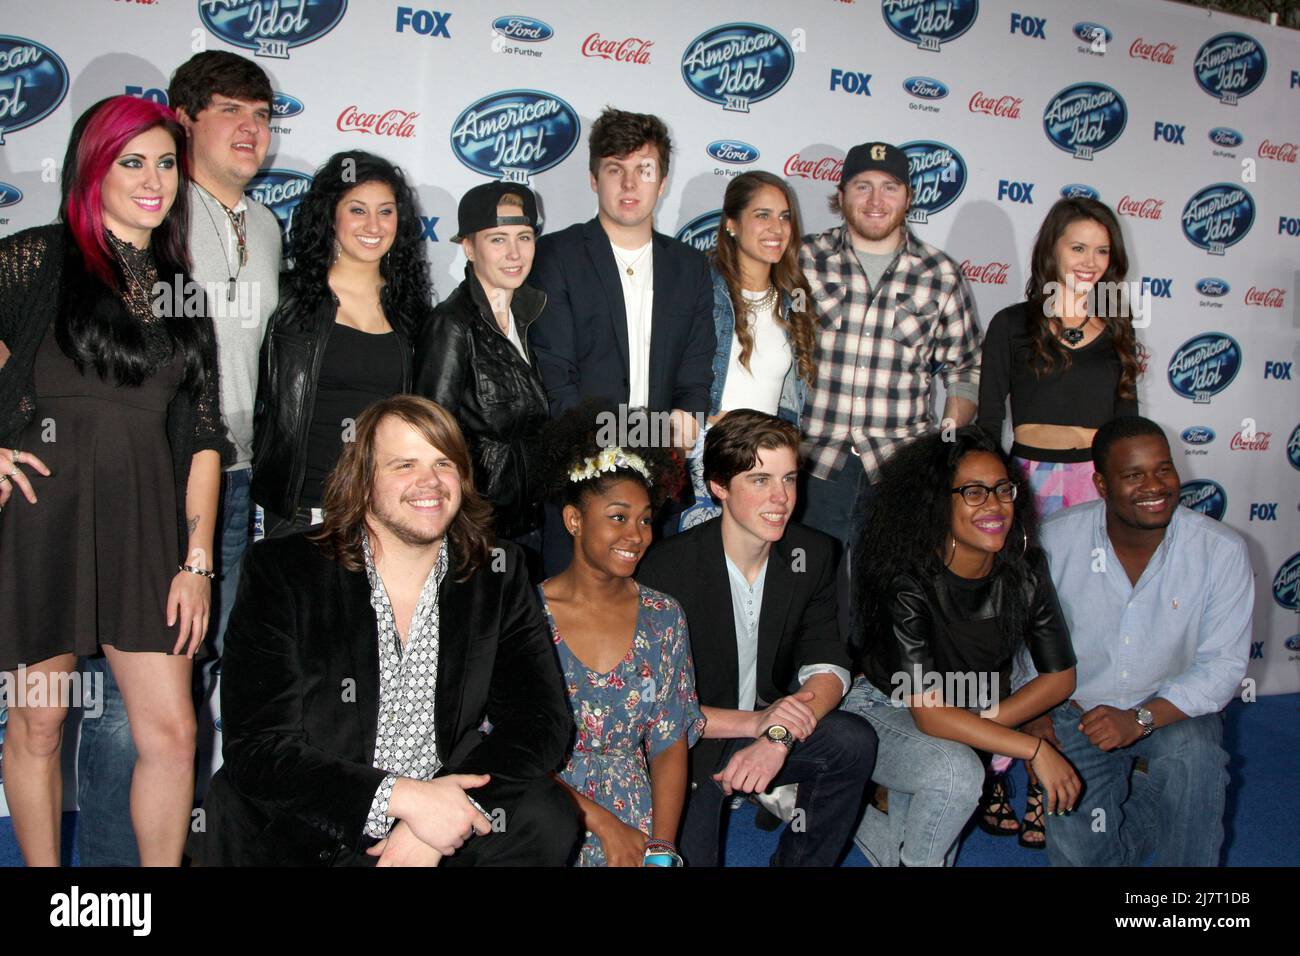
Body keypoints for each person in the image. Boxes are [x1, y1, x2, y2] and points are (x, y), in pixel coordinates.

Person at [191, 396, 578, 866]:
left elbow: (539, 722)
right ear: (363, 479)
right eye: (404, 465)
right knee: (237, 800)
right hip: (310, 824)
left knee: (546, 814)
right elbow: (258, 747)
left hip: (437, 818)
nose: (429, 482)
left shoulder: (496, 572)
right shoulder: (284, 571)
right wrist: (403, 799)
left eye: (443, 463)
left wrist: (444, 816)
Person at [0, 96, 221, 867]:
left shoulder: (181, 290)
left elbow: (201, 438)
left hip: (145, 527)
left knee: (172, 733)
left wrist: (197, 564)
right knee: (38, 725)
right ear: (92, 167)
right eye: (133, 161)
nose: (154, 180)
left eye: (166, 163)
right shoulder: (34, 258)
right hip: (42, 518)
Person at [76, 50, 282, 866]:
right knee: (136, 704)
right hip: (151, 479)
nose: (250, 129)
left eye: (262, 114)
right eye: (230, 110)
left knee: (197, 683)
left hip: (234, 483)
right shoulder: (153, 210)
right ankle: (104, 880)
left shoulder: (265, 224)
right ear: (184, 118)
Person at [638, 410, 876, 866]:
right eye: (760, 480)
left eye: (789, 479)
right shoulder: (666, 569)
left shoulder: (812, 553)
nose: (781, 498)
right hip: (691, 741)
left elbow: (829, 664)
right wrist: (754, 725)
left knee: (852, 741)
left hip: (771, 722)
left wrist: (777, 736)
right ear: (719, 487)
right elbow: (656, 707)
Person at [976, 196, 1141, 847]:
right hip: (1028, 487)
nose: (1091, 263)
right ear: (1051, 251)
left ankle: (1057, 774)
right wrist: (978, 500)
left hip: (1096, 498)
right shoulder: (1012, 324)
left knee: (1073, 637)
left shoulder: (1119, 331)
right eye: (1079, 248)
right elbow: (989, 423)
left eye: (1102, 251)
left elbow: (1126, 434)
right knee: (1012, 629)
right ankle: (997, 768)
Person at [839, 426, 1079, 866]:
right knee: (959, 773)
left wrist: (990, 721)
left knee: (926, 820)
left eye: (1002, 489)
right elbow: (930, 715)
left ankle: (835, 804)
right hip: (884, 710)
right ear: (938, 503)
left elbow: (1060, 676)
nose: (994, 505)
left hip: (967, 712)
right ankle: (833, 787)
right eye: (973, 492)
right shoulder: (908, 580)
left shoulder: (1027, 570)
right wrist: (1029, 747)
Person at [1032, 417, 1252, 867]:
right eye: (1133, 475)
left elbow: (1223, 668)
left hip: (1172, 711)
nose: (1154, 486)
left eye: (1163, 470)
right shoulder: (1055, 541)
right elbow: (1025, 640)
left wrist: (1141, 719)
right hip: (1077, 711)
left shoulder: (1220, 550)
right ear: (1101, 483)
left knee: (1197, 762)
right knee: (1084, 858)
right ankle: (1151, 803)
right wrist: (1032, 719)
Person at [535, 403, 703, 866]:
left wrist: (662, 847)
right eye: (617, 517)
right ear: (573, 521)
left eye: (646, 519)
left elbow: (669, 743)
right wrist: (603, 825)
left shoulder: (663, 616)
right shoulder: (526, 615)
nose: (637, 535)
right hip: (546, 809)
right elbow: (506, 750)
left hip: (637, 809)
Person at [798, 141, 981, 553]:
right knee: (808, 591)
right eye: (863, 186)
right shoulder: (804, 259)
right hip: (811, 464)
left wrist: (943, 452)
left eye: (890, 187)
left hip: (900, 469)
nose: (876, 200)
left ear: (909, 197)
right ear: (841, 195)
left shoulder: (940, 273)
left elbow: (965, 369)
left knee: (883, 596)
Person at [252, 150, 433, 537]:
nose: (373, 224)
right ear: (330, 215)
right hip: (300, 511)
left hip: (381, 511)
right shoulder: (286, 298)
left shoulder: (410, 307)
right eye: (357, 210)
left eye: (386, 211)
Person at [413, 182, 548, 564]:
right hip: (478, 528)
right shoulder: (451, 325)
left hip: (534, 521)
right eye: (497, 239)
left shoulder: (535, 314)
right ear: (469, 248)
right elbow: (429, 438)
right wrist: (462, 524)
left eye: (524, 237)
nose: (514, 253)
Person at [678, 171, 817, 530]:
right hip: (707, 458)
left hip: (768, 463)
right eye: (762, 215)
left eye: (784, 216)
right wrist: (708, 422)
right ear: (731, 224)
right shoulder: (699, 288)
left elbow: (789, 402)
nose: (777, 227)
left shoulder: (793, 301)